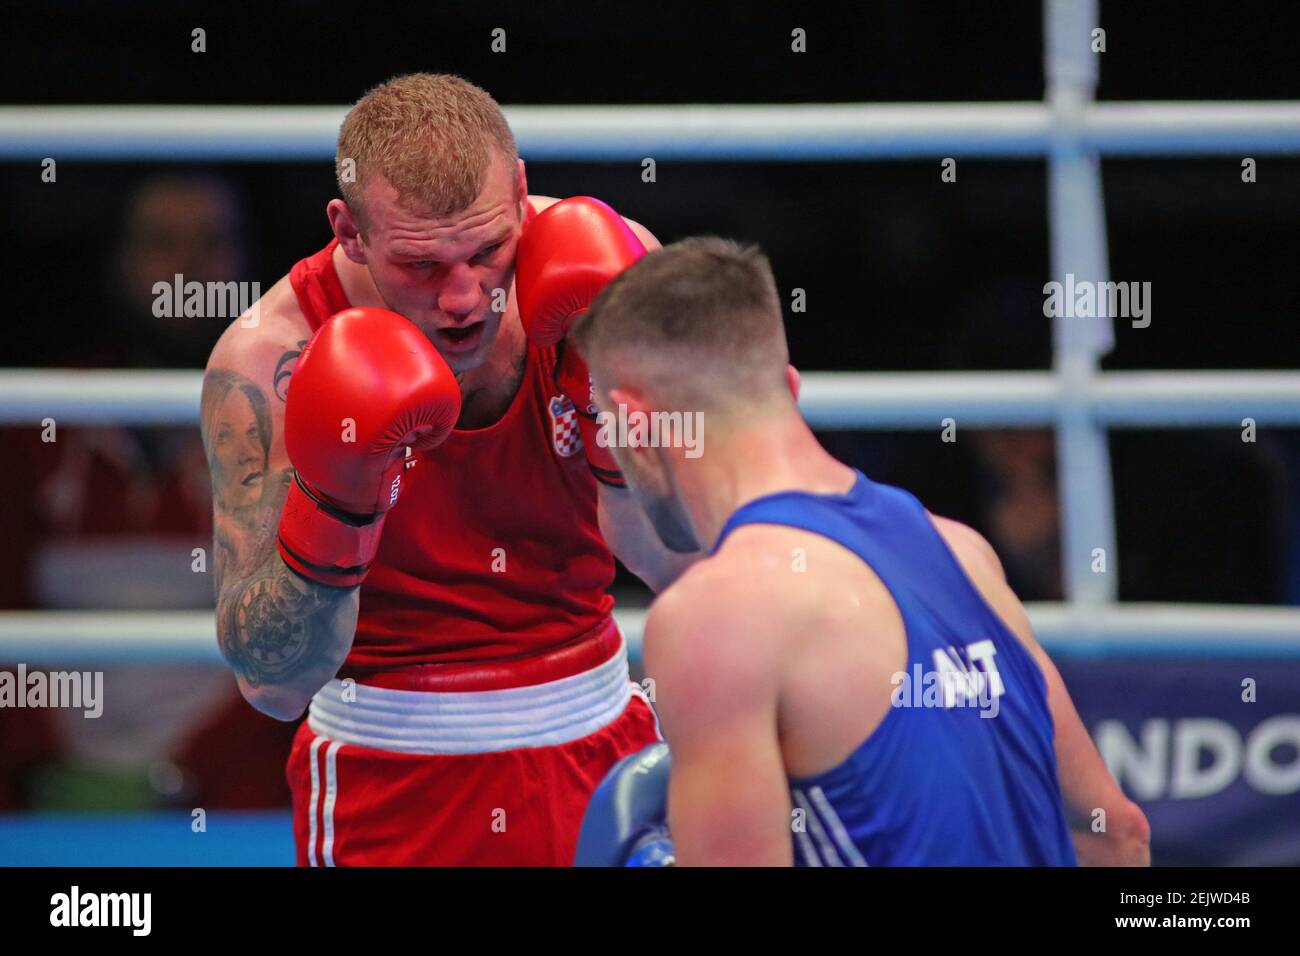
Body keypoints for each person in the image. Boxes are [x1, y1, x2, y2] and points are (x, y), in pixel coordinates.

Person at [202, 73, 691, 866]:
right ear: (350, 231)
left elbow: (687, 565)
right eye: (422, 265)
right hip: (386, 776)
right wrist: (335, 510)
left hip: (598, 746)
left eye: (488, 251)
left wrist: (617, 434)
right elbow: (272, 683)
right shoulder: (269, 358)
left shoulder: (609, 283)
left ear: (522, 192)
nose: (464, 297)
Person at [570, 237, 1151, 866]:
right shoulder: (960, 549)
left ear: (634, 421)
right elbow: (1114, 831)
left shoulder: (714, 618)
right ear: (786, 388)